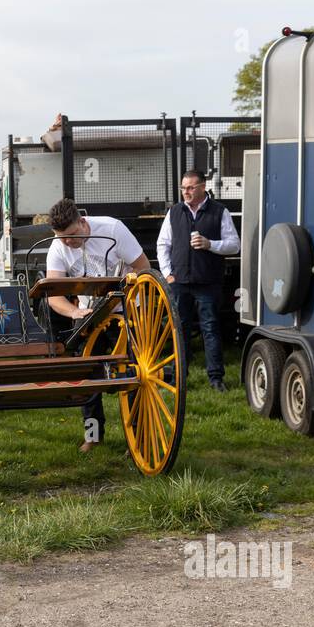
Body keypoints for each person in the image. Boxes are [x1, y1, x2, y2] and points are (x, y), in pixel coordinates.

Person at [43, 197, 151, 453]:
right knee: (87, 377)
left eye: (70, 235)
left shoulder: (112, 229)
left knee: (135, 375)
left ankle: (136, 437)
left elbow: (143, 267)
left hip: (125, 312)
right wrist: (75, 312)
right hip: (88, 316)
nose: (67, 242)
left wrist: (128, 295)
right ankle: (93, 435)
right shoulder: (58, 247)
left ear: (82, 222)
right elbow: (53, 295)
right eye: (61, 238)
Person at [156, 170, 240, 392]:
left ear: (203, 187)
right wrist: (167, 274)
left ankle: (216, 378)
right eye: (183, 188)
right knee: (179, 330)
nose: (186, 192)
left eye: (191, 187)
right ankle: (179, 377)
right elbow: (163, 245)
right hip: (179, 282)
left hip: (208, 282)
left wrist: (209, 244)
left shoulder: (219, 212)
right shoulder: (174, 212)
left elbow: (234, 244)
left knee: (210, 329)